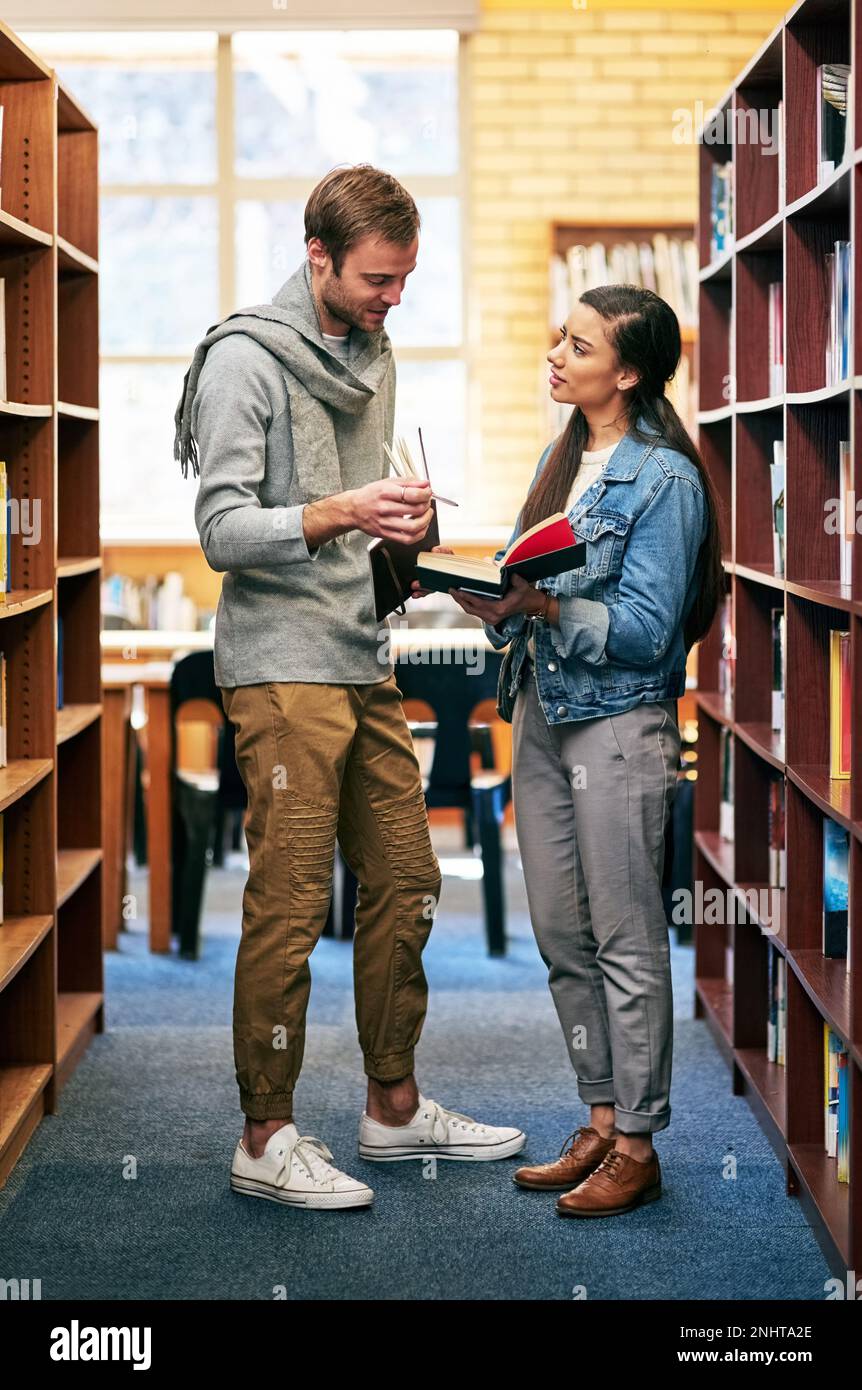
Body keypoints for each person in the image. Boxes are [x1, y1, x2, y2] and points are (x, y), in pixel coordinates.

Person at [173, 163, 525, 1212]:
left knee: (411, 878)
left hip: (363, 651)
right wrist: (341, 510)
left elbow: (364, 532)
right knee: (287, 902)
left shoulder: (374, 352)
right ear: (317, 256)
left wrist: (422, 548)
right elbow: (222, 533)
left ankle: (390, 1102)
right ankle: (264, 1131)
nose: (392, 297)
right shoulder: (244, 360)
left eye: (405, 278)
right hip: (281, 666)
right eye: (377, 278)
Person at [437, 285, 723, 1218]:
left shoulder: (665, 478)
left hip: (619, 723)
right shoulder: (567, 459)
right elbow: (539, 580)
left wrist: (545, 605)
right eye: (560, 337)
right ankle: (599, 1119)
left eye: (580, 345)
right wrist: (496, 600)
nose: (557, 354)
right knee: (560, 931)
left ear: (628, 372)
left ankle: (638, 1144)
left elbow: (649, 630)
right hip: (543, 714)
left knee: (626, 934)